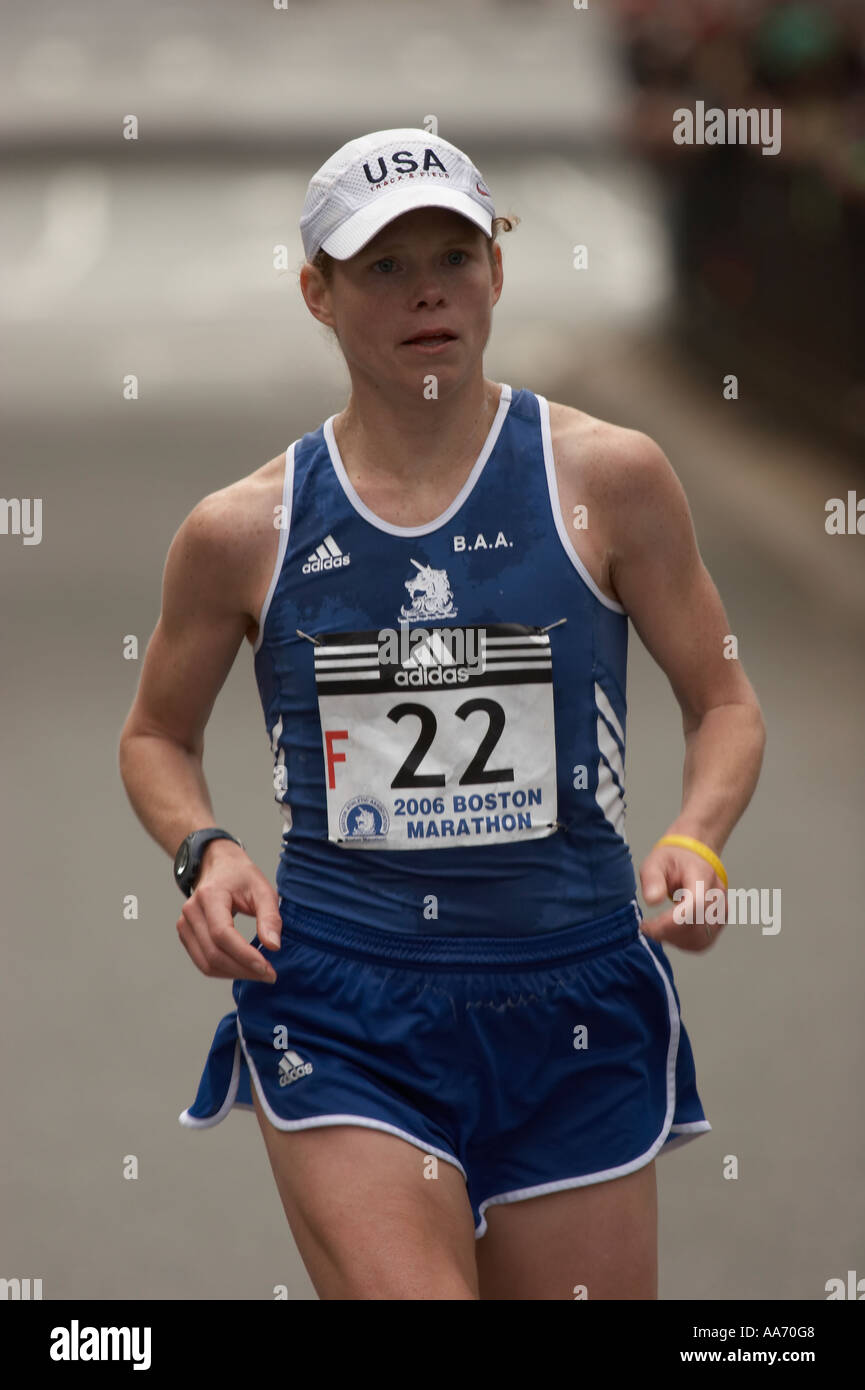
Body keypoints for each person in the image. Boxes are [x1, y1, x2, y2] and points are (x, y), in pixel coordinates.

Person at [117, 127, 765, 1301]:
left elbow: (721, 700)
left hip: (574, 995)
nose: (426, 288)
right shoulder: (243, 529)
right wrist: (202, 851)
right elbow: (156, 734)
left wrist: (695, 836)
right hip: (346, 1001)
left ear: (496, 274)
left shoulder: (606, 478)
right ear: (315, 292)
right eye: (381, 266)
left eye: (454, 256)